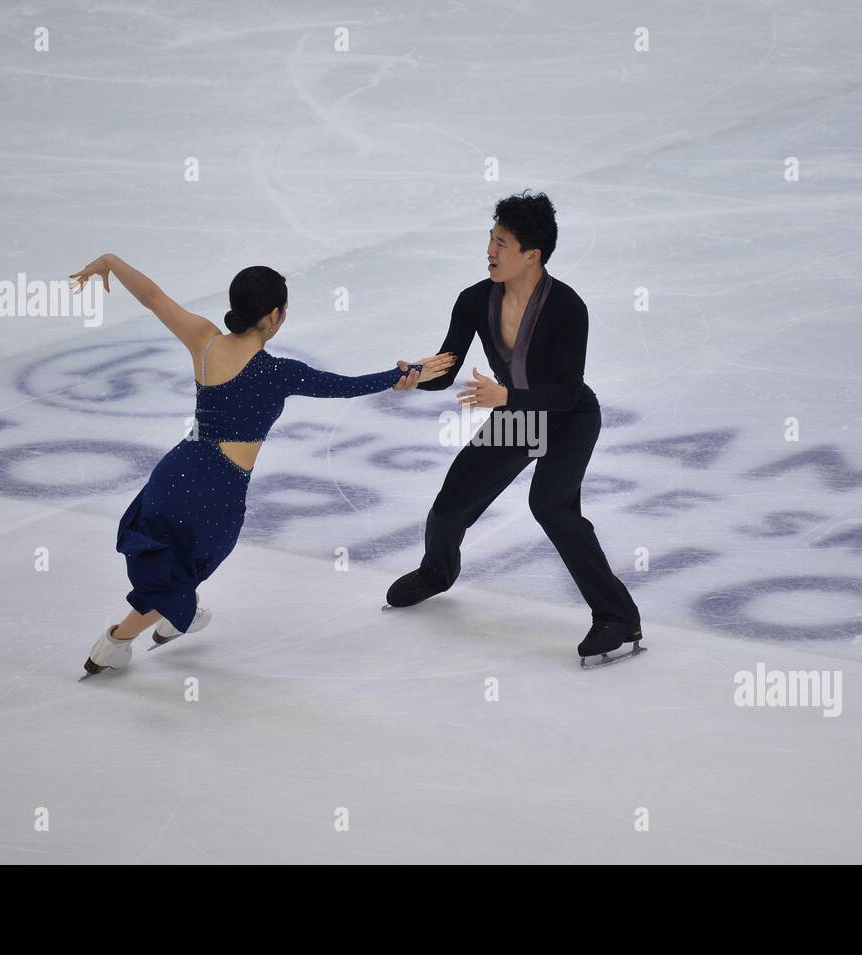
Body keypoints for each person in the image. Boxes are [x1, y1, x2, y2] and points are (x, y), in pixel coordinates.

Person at [67, 255, 456, 676]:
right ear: (275, 315)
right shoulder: (279, 372)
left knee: (173, 563)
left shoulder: (204, 339)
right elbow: (348, 387)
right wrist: (405, 374)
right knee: (188, 567)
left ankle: (181, 615)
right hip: (218, 489)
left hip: (174, 472)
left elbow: (152, 297)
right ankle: (116, 641)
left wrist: (109, 261)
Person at [383, 191, 644, 667]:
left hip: (567, 420)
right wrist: (417, 376)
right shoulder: (475, 299)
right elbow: (448, 365)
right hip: (519, 417)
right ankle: (437, 573)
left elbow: (566, 392)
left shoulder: (568, 308)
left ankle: (618, 615)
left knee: (551, 506)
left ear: (532, 255)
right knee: (449, 507)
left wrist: (506, 398)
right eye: (490, 239)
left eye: (501, 243)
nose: (490, 251)